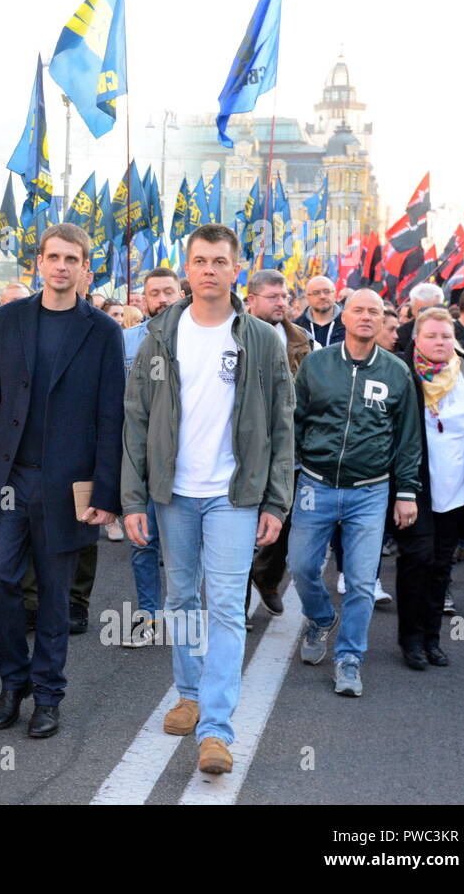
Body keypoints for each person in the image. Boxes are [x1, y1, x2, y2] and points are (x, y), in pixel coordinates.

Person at [122, 223, 294, 776]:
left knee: (224, 606)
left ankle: (216, 730)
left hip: (233, 495)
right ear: (187, 269)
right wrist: (131, 499)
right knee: (180, 600)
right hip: (174, 492)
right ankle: (189, 693)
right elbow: (136, 420)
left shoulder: (261, 340)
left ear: (235, 269)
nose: (210, 270)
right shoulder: (159, 337)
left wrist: (275, 500)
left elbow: (281, 424)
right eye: (200, 261)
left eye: (220, 261)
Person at [0, 224, 124, 738]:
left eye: (70, 258)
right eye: (52, 256)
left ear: (85, 268)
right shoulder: (10, 319)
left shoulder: (102, 330)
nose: (60, 266)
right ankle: (14, 682)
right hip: (10, 476)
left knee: (55, 594)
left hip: (67, 484)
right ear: (39, 263)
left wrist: (106, 492)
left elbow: (110, 417)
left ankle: (48, 693)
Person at [286, 289, 422, 696]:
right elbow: (296, 420)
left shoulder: (397, 373)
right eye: (359, 310)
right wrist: (285, 476)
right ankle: (321, 618)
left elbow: (408, 438)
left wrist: (408, 492)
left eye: (374, 312)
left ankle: (349, 658)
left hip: (370, 491)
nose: (366, 317)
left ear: (382, 321)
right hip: (316, 483)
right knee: (302, 567)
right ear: (345, 317)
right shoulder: (316, 364)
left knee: (362, 582)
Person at [393, 307, 464, 669]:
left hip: (458, 487)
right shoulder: (401, 372)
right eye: (432, 336)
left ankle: (433, 638)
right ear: (417, 340)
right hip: (416, 486)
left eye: (446, 336)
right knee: (417, 561)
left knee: (442, 565)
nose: (440, 342)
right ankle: (410, 641)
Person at [243, 270, 315, 620]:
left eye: (284, 296)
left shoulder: (301, 338)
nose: (282, 303)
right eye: (273, 297)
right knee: (240, 526)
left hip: (290, 446)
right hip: (245, 446)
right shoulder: (234, 333)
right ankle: (237, 607)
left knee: (284, 523)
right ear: (251, 299)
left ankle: (267, 578)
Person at [119, 266, 182, 645]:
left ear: (180, 294)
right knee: (143, 542)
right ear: (142, 299)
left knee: (184, 548)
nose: (161, 300)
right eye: (153, 293)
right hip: (138, 456)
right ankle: (148, 615)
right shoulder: (125, 341)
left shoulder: (198, 338)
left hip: (185, 462)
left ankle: (182, 613)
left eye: (168, 292)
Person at [393, 283, 444, 359]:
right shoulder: (401, 334)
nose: (429, 316)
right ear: (413, 309)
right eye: (423, 311)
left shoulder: (455, 332)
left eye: (436, 310)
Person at [295, 275, 345, 347]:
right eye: (316, 293)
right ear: (307, 298)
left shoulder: (348, 324)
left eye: (327, 291)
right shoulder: (297, 328)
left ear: (335, 294)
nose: (322, 296)